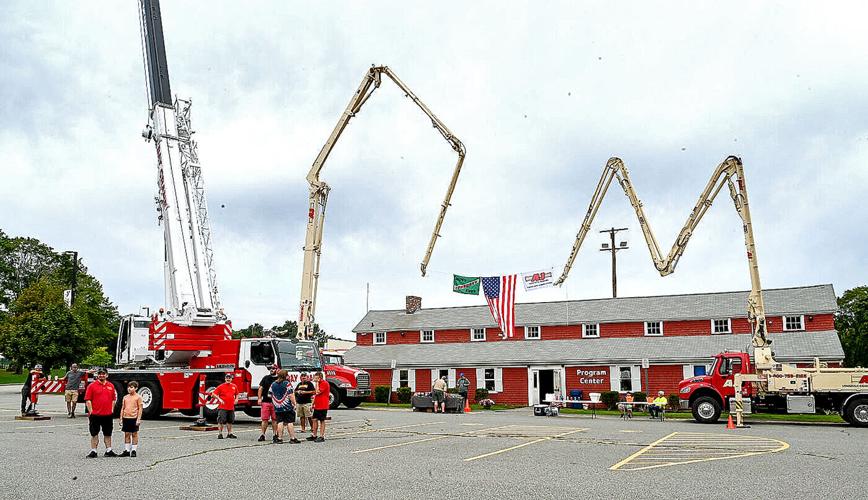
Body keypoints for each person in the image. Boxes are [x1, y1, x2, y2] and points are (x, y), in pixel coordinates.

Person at [84, 368, 117, 458]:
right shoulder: (92, 386)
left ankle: (109, 450)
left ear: (107, 375)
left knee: (108, 433)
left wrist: (111, 410)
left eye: (103, 374)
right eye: (100, 374)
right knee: (94, 433)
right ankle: (94, 451)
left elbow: (113, 399)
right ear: (97, 375)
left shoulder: (111, 386)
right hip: (95, 415)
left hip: (107, 415)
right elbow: (88, 400)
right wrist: (91, 412)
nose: (101, 375)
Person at [269, 370, 300, 444]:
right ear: (285, 376)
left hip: (277, 406)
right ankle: (292, 438)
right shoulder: (287, 384)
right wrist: (295, 404)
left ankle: (279, 438)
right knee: (289, 422)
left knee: (280, 422)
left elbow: (269, 394)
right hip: (287, 406)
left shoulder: (273, 384)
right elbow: (291, 395)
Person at [118, 381, 143, 457]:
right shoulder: (125, 397)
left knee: (134, 434)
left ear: (136, 388)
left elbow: (140, 409)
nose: (129, 389)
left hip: (134, 418)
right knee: (126, 434)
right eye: (128, 387)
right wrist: (121, 418)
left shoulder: (138, 397)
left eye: (131, 387)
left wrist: (138, 419)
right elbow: (123, 408)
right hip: (126, 417)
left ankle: (134, 450)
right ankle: (127, 450)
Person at [212, 373, 239, 439]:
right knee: (221, 420)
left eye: (229, 378)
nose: (228, 379)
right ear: (225, 379)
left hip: (231, 406)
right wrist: (219, 399)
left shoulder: (234, 386)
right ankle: (220, 434)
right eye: (227, 378)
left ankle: (229, 433)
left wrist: (236, 399)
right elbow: (213, 394)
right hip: (222, 407)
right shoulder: (221, 386)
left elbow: (237, 394)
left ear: (231, 379)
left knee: (230, 420)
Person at [257, 364, 279, 443]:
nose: (271, 370)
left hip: (276, 402)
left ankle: (275, 434)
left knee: (275, 419)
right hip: (266, 401)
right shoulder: (266, 378)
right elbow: (260, 388)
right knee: (264, 419)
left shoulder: (279, 379)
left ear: (277, 369)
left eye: (273, 368)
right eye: (270, 368)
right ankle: (262, 434)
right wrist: (259, 398)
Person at [308, 372, 330, 442]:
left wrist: (317, 383)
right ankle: (314, 435)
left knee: (322, 420)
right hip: (317, 405)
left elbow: (317, 392)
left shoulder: (324, 383)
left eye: (316, 378)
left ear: (319, 378)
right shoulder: (318, 384)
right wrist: (312, 404)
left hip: (323, 405)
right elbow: (316, 395)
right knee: (314, 419)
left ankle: (321, 436)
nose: (314, 379)